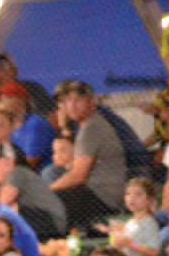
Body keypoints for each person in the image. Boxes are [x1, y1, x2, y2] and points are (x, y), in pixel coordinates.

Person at [49, 80, 126, 230]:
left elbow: (78, 176)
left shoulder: (92, 128)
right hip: (100, 194)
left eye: (77, 99)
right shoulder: (89, 126)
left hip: (103, 198)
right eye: (67, 101)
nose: (72, 105)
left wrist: (46, 191)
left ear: (92, 101)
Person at [0, 140, 65, 240]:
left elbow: (4, 201)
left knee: (9, 209)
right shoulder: (2, 183)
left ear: (10, 161)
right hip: (41, 222)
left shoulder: (17, 172)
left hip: (51, 223)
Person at [116, 174, 168, 256]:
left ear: (149, 200)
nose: (132, 198)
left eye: (138, 194)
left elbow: (154, 252)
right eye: (128, 194)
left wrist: (131, 244)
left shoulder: (149, 223)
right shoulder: (130, 223)